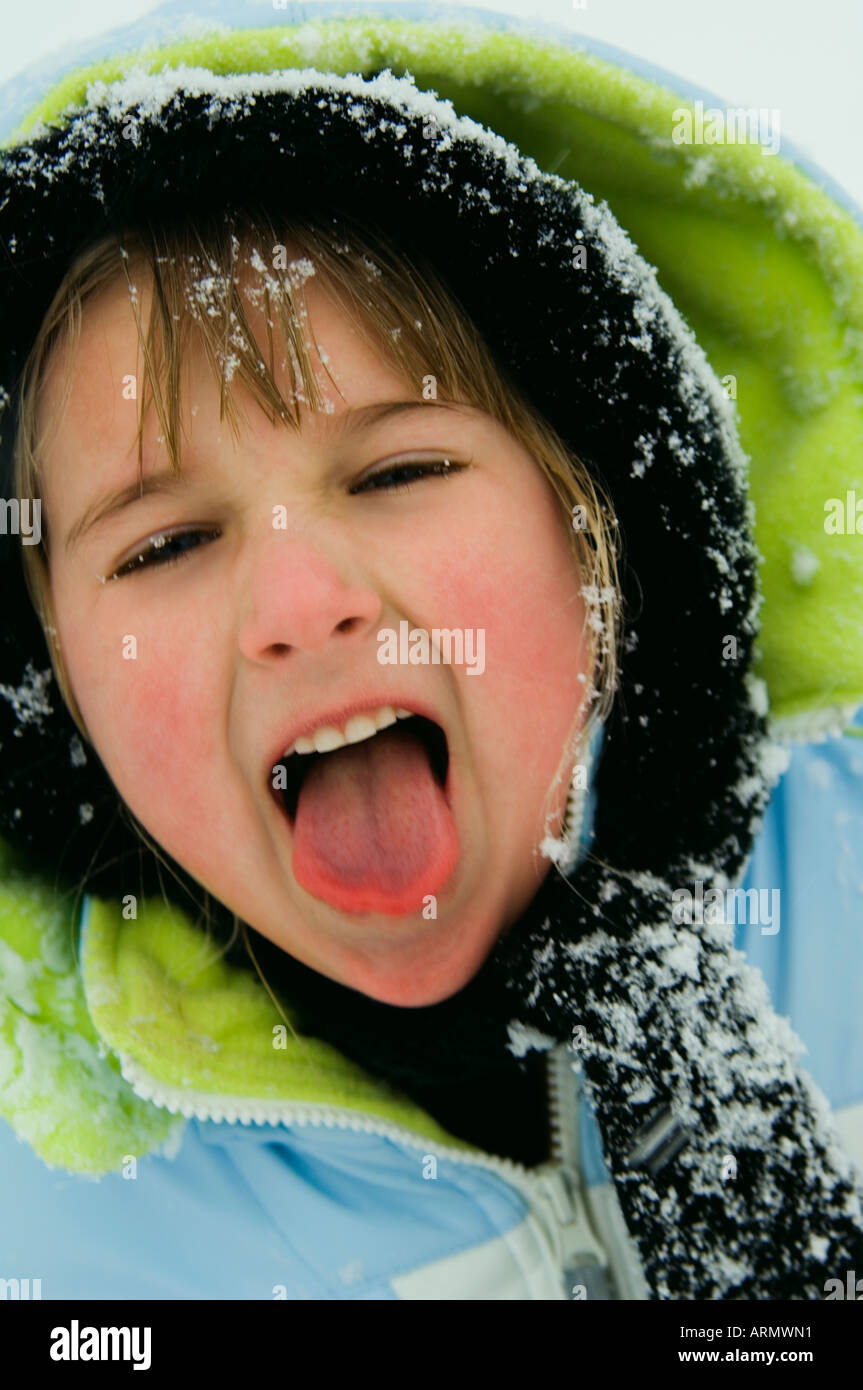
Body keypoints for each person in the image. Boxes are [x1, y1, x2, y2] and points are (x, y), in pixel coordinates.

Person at [1, 2, 862, 1303]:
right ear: (52, 686)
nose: (302, 600)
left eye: (399, 468)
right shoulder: (60, 1231)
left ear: (596, 528)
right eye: (165, 545)